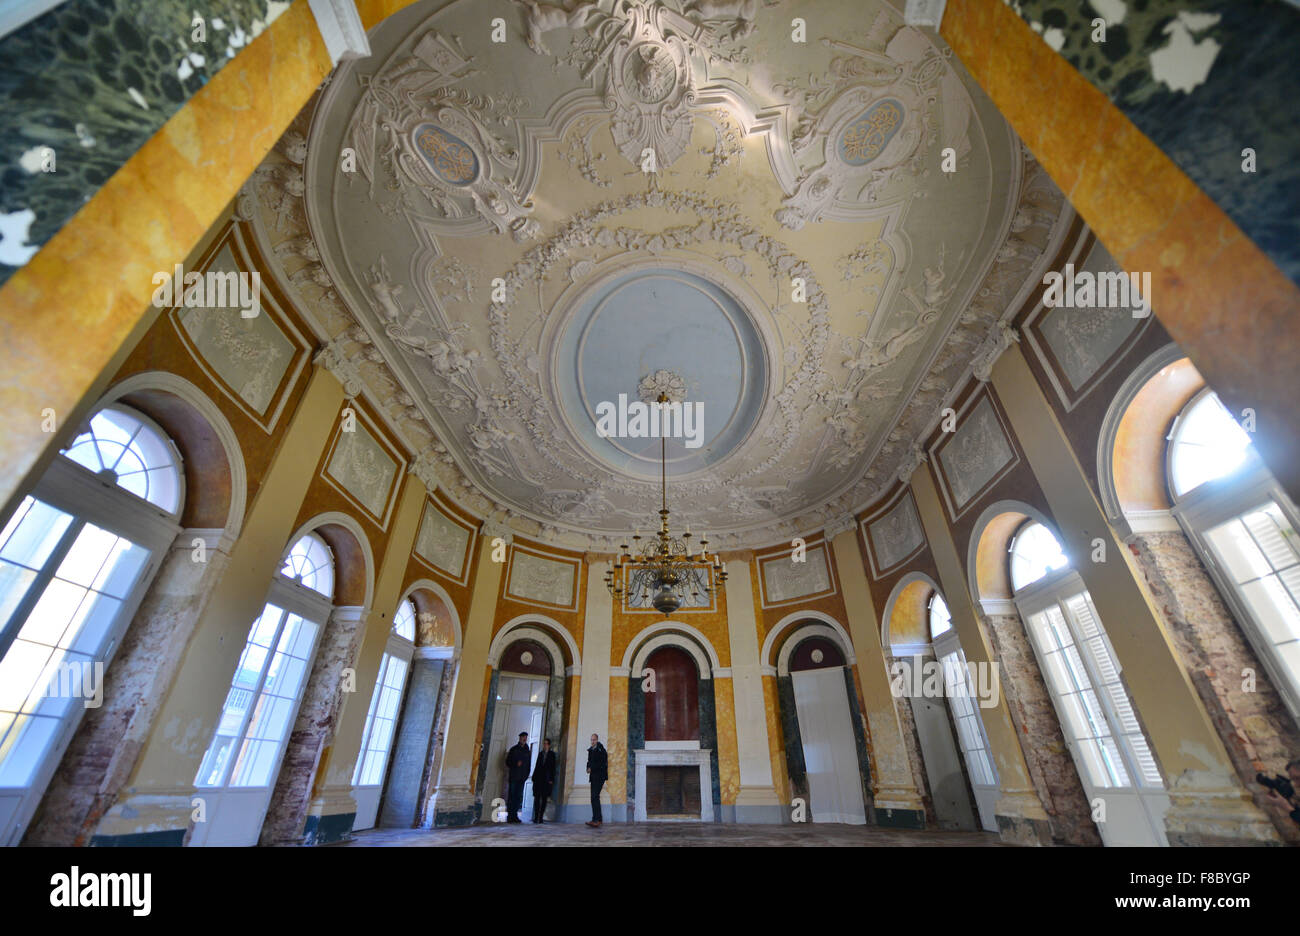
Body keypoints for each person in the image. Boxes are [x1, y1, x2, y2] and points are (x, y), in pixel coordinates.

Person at [505, 731, 531, 824]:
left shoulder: (527, 751)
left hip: (522, 777)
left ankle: (515, 815)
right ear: (520, 738)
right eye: (523, 737)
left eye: (526, 737)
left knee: (518, 797)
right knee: (512, 796)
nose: (524, 739)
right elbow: (507, 762)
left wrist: (526, 775)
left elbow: (528, 764)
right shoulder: (514, 749)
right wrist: (516, 764)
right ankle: (510, 816)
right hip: (514, 776)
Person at [531, 737, 557, 823]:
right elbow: (537, 766)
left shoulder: (552, 755)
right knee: (537, 798)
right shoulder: (540, 754)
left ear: (549, 745)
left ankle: (541, 817)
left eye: (546, 744)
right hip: (539, 779)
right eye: (544, 743)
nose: (544, 745)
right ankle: (536, 817)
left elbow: (553, 768)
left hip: (546, 779)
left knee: (544, 798)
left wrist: (551, 779)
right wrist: (534, 777)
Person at [585, 732, 608, 827]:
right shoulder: (591, 750)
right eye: (591, 740)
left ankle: (597, 819)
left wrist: (592, 768)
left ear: (597, 740)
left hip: (600, 777)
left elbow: (602, 764)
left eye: (594, 740)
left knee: (595, 796)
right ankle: (597, 819)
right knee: (594, 797)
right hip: (593, 777)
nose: (592, 741)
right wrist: (587, 768)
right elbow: (589, 761)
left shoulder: (601, 750)